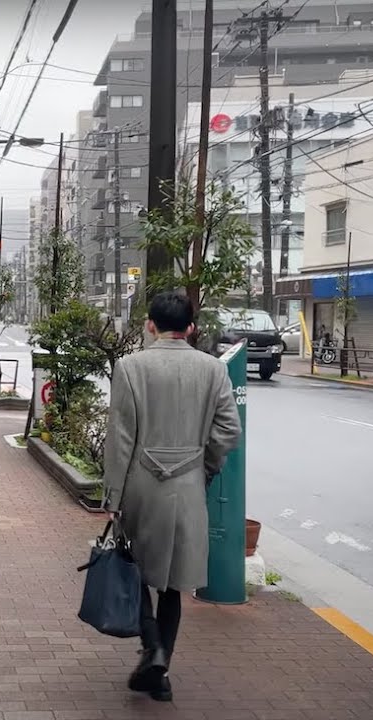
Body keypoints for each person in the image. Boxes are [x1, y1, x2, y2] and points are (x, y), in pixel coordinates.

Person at [102, 292, 243, 702]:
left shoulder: (130, 367)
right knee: (174, 582)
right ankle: (160, 670)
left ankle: (152, 649)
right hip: (188, 484)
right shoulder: (213, 370)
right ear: (191, 328)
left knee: (136, 569)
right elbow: (228, 430)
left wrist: (113, 494)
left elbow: (121, 438)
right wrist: (204, 468)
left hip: (142, 485)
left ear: (150, 325)